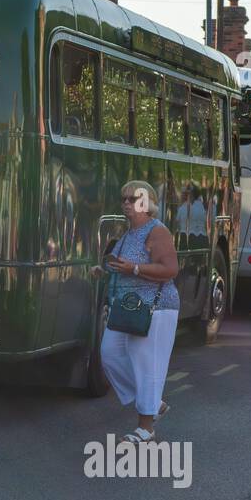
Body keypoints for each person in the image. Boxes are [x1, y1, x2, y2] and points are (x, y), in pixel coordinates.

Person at [95, 181, 180, 444]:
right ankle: (154, 402)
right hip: (128, 308)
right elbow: (121, 266)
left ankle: (146, 427)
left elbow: (169, 270)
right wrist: (105, 271)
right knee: (109, 354)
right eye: (124, 199)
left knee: (147, 366)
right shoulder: (128, 234)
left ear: (147, 203)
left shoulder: (157, 232)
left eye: (133, 199)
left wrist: (133, 269)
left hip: (156, 308)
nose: (126, 203)